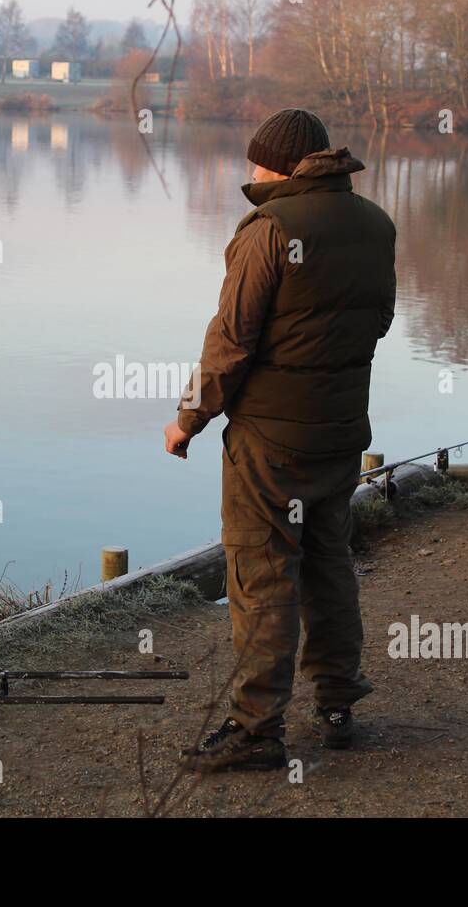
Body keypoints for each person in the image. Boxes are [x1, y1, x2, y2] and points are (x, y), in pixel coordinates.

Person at [163, 108, 397, 771]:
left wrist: (189, 418)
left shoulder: (270, 230)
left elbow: (230, 343)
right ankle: (337, 701)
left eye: (257, 162)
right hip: (341, 430)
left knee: (261, 576)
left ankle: (256, 728)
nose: (250, 172)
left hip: (270, 442)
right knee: (327, 567)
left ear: (284, 166)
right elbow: (379, 318)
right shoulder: (376, 223)